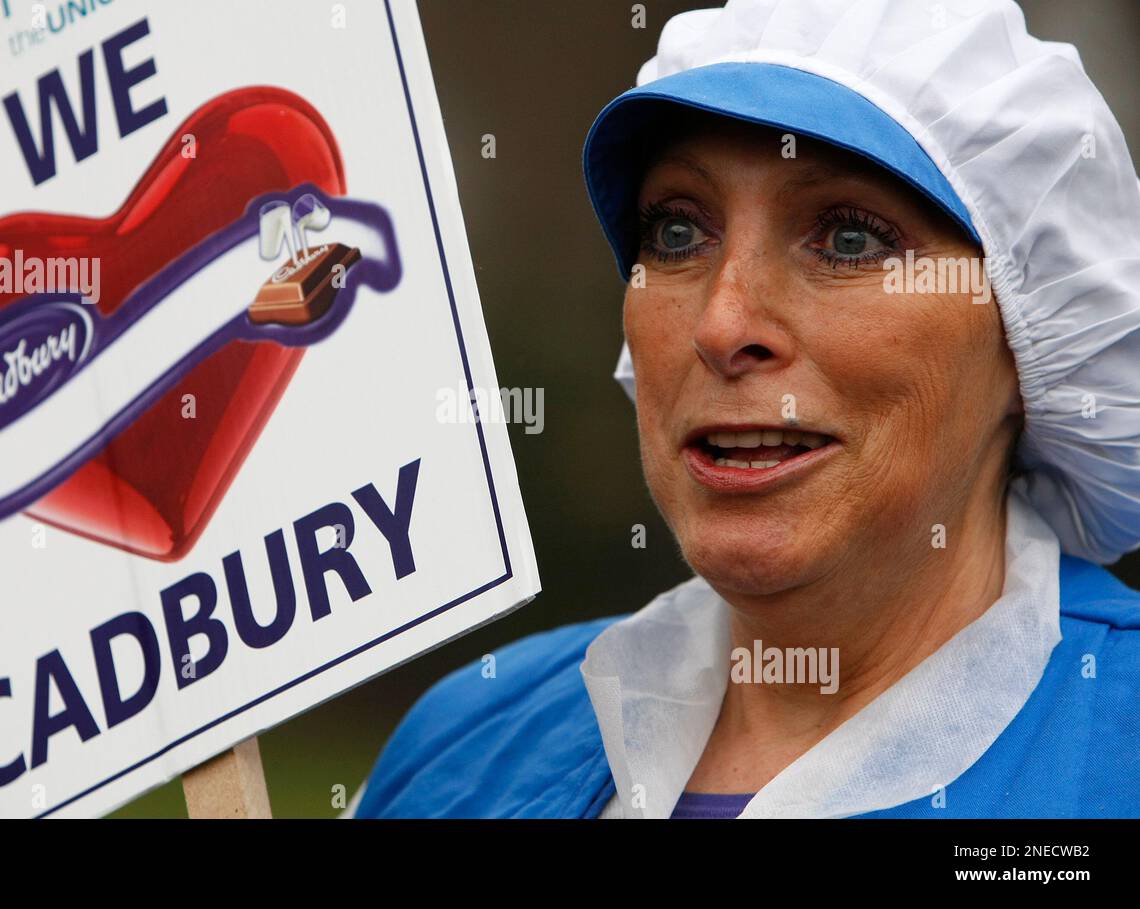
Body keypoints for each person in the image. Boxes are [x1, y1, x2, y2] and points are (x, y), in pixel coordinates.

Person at [347, 0, 1140, 818]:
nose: (721, 325)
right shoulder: (460, 751)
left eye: (849, 239)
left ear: (1029, 333)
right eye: (679, 233)